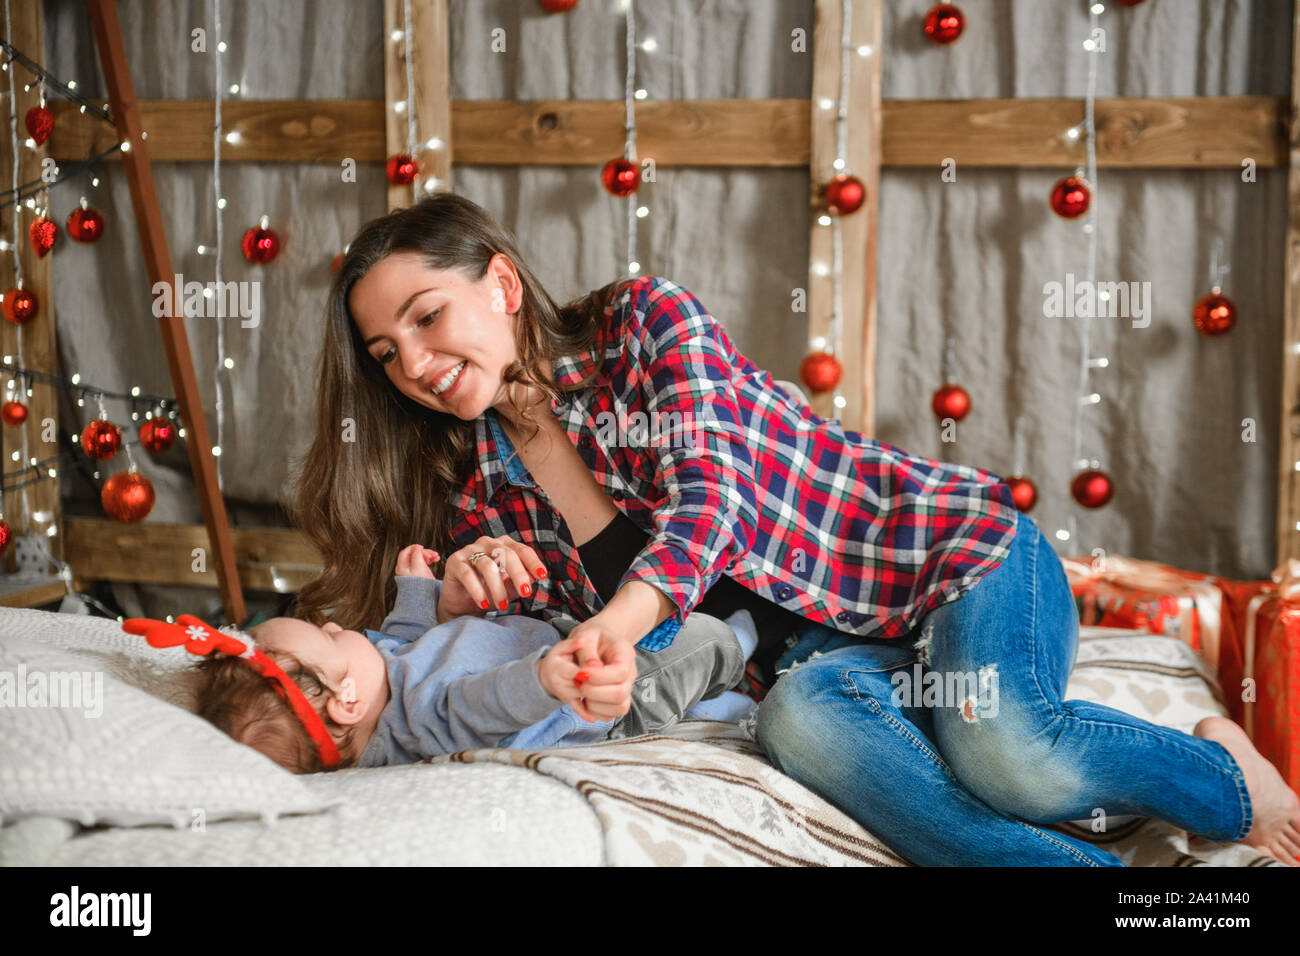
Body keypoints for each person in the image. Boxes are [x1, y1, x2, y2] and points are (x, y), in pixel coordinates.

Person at [292, 192, 1300, 866]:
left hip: (947, 562)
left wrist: (625, 611)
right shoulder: (486, 495)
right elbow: (554, 661)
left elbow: (714, 502)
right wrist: (473, 583)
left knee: (1006, 753)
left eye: (427, 316)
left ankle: (1219, 771)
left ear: (501, 285)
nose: (413, 361)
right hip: (825, 660)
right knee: (798, 721)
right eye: (386, 350)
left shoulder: (642, 325)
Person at [185, 539, 758, 774]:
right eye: (329, 637)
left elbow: (403, 642)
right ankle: (744, 658)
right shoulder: (422, 719)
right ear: (345, 701)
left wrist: (416, 591)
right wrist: (542, 679)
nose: (336, 624)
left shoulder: (380, 686)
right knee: (697, 643)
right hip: (602, 692)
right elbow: (486, 705)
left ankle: (720, 698)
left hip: (552, 637)